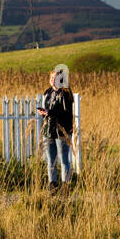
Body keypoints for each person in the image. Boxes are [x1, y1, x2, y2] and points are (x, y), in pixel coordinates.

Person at [37, 66, 75, 194]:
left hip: (62, 131)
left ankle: (66, 187)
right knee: (50, 160)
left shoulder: (66, 94)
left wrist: (50, 112)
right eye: (52, 78)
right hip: (49, 130)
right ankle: (53, 186)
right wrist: (43, 113)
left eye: (56, 78)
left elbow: (66, 113)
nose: (53, 80)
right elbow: (47, 110)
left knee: (64, 159)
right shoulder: (47, 93)